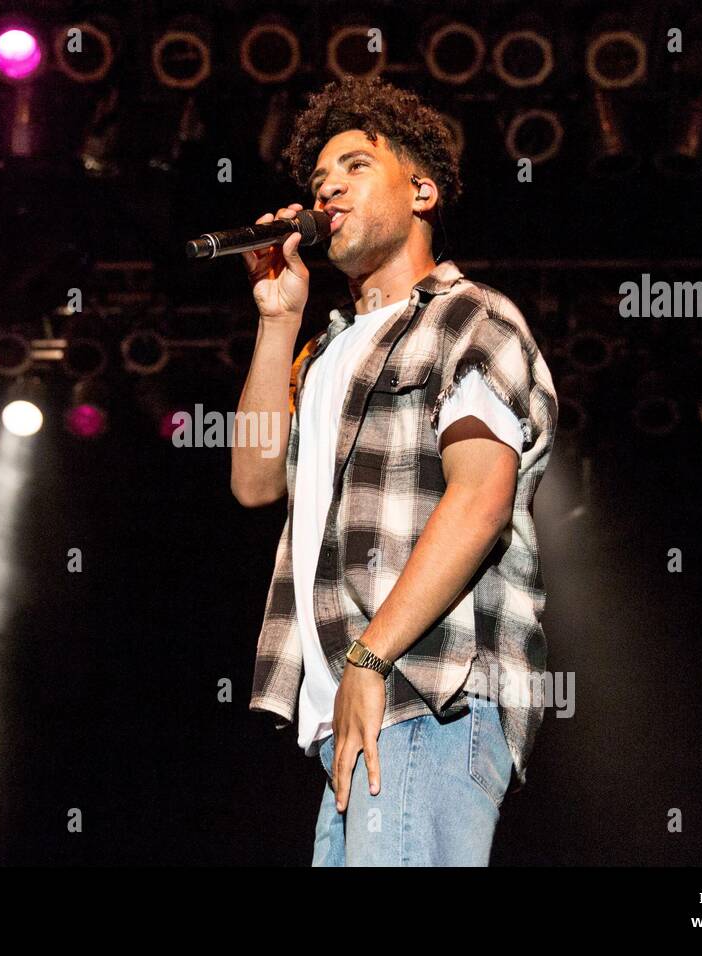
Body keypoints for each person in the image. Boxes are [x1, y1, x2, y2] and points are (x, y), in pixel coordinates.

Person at [230, 77, 558, 866]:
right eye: (317, 181)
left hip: (428, 690)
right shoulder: (326, 348)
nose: (328, 187)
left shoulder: (468, 316)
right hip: (355, 708)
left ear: (422, 190)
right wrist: (278, 321)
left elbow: (481, 497)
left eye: (353, 166)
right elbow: (252, 480)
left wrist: (371, 657)